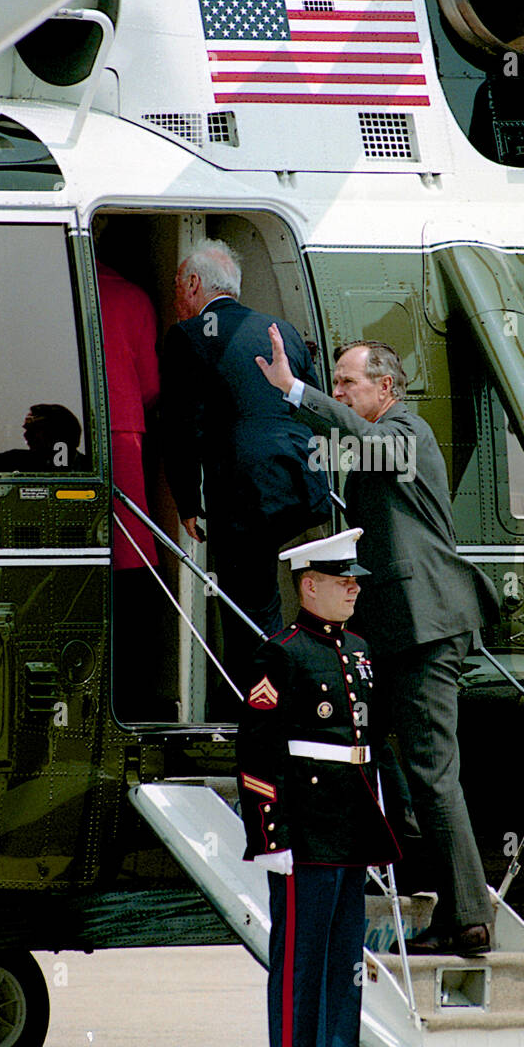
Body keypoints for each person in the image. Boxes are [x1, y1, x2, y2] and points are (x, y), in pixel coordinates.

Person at [256, 326, 499, 957]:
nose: (340, 391)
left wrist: (297, 389)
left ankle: (468, 913)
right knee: (377, 753)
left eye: (348, 382)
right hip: (394, 634)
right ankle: (424, 872)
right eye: (335, 382)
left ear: (386, 387)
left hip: (423, 630)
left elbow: (359, 440)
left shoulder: (405, 435)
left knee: (433, 772)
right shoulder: (371, 444)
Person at [236, 527, 400, 1047]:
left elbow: (371, 742)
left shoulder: (358, 649)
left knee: (343, 968)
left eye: (354, 579)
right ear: (309, 586)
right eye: (342, 580)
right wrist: (270, 834)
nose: (354, 589)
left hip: (350, 825)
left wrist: (385, 814)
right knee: (302, 969)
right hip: (304, 829)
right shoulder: (280, 653)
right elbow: (258, 753)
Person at [160, 239, 330, 704]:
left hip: (243, 489)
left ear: (194, 284)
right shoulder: (285, 330)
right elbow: (313, 406)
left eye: (178, 286)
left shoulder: (188, 336)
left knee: (248, 609)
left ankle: (260, 714)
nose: (177, 297)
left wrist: (187, 502)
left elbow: (180, 427)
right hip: (301, 483)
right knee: (293, 601)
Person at [96, 254, 162, 719]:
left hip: (61, 430)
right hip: (122, 432)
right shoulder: (134, 297)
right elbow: (150, 386)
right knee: (132, 557)